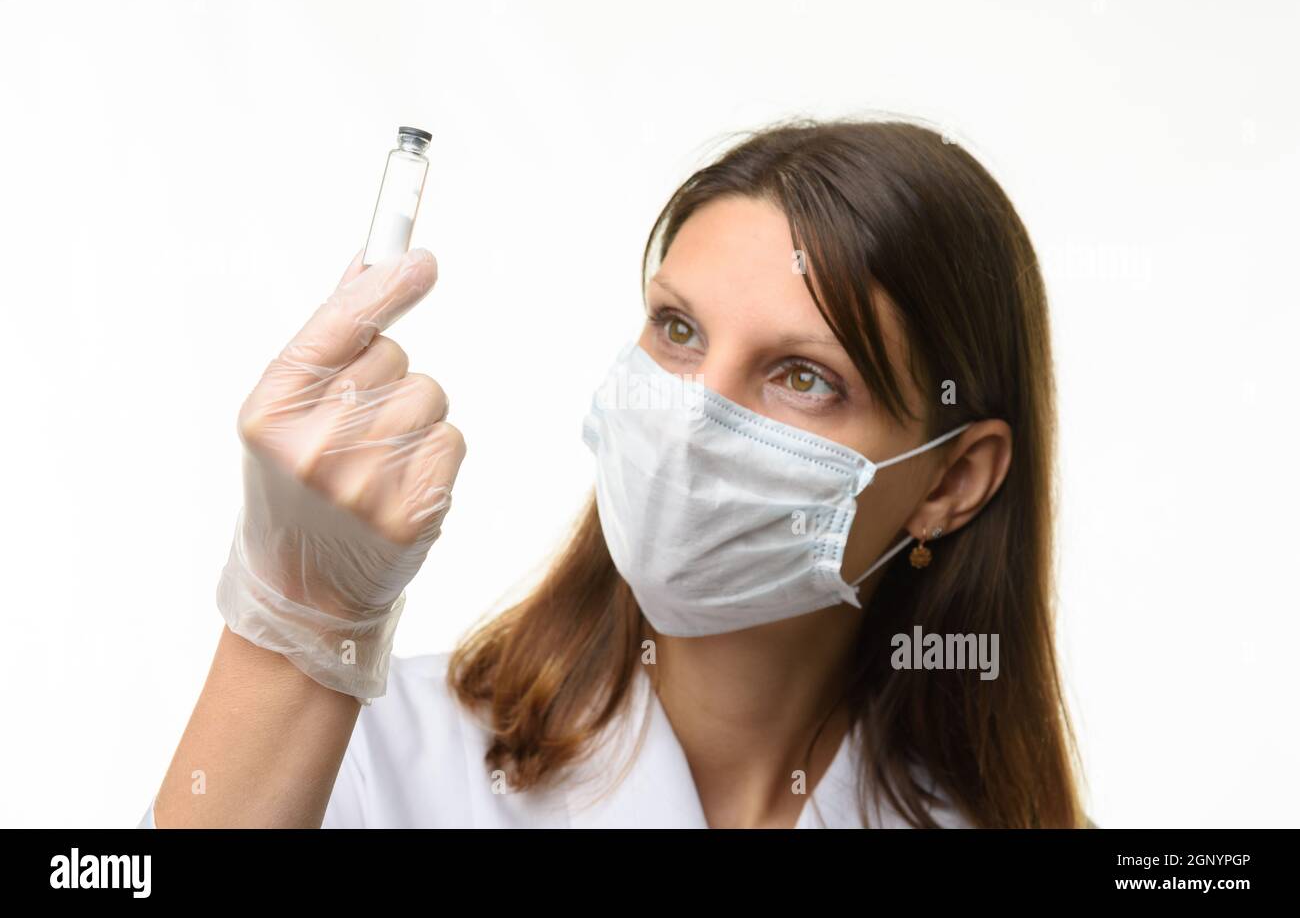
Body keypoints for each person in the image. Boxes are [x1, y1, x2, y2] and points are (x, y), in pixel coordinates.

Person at [140, 117, 1088, 829]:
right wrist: (294, 630)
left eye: (803, 377)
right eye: (678, 330)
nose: (691, 421)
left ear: (951, 482)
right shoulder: (381, 762)